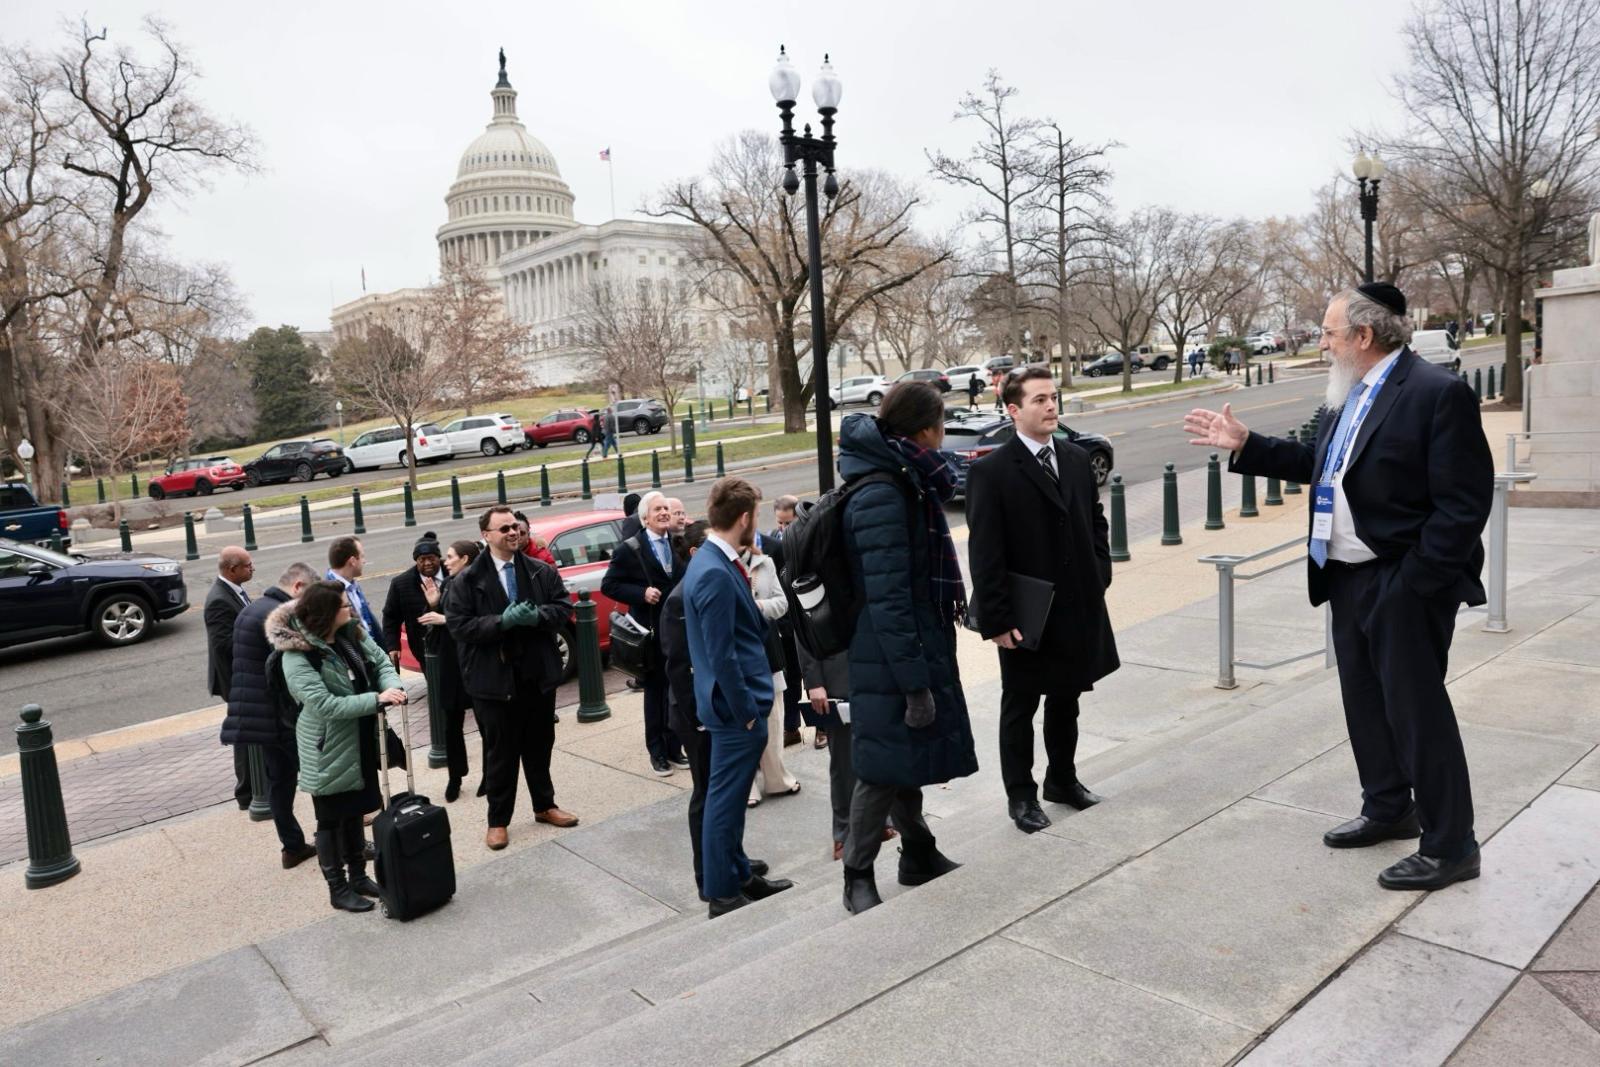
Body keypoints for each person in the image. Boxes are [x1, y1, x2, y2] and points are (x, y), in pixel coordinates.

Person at [1185, 282, 1493, 892]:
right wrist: (1247, 445)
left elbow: (1463, 504)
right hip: (1345, 576)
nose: (1322, 343)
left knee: (1417, 713)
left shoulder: (1437, 394)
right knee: (1365, 702)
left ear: (1363, 336)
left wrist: (1415, 584)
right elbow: (1317, 463)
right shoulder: (1346, 396)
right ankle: (1388, 807)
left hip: (1402, 580)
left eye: (1328, 333)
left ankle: (1452, 844)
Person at [834, 384, 974, 913]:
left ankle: (918, 853)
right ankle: (857, 874)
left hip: (908, 643)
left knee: (905, 756)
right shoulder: (883, 494)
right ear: (923, 431)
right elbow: (888, 599)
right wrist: (914, 683)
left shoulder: (904, 478)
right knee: (881, 767)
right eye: (941, 426)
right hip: (889, 651)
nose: (945, 437)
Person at [968, 367, 1118, 835]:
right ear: (1014, 410)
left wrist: (1100, 573)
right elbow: (985, 552)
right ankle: (1021, 796)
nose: (1051, 406)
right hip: (1026, 615)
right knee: (1020, 707)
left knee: (1067, 698)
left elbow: (1094, 521)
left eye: (1053, 398)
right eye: (1039, 400)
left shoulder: (1074, 458)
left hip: (1076, 605)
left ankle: (1062, 780)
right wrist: (996, 618)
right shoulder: (991, 471)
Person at [682, 477, 795, 918]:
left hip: (736, 704)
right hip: (735, 709)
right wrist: (748, 711)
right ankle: (723, 894)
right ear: (745, 518)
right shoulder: (712, 569)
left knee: (726, 803)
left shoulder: (718, 560)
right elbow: (720, 653)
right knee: (724, 804)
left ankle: (740, 875)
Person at [445, 505, 579, 849]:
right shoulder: (467, 580)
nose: (512, 533)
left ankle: (545, 805)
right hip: (493, 681)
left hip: (535, 675)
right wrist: (500, 622)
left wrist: (536, 616)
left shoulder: (538, 571)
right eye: (503, 529)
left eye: (515, 527)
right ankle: (498, 821)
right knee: (501, 753)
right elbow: (460, 627)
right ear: (486, 536)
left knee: (539, 745)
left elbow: (563, 607)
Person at [270, 581, 407, 913]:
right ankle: (337, 887)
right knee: (330, 820)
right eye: (345, 606)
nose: (351, 609)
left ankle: (359, 877)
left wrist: (391, 686)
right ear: (326, 614)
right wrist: (376, 699)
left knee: (356, 812)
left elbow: (382, 664)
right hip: (327, 746)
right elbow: (324, 705)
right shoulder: (297, 654)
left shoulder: (351, 635)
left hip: (361, 738)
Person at [221, 561, 320, 868]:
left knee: (280, 780)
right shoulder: (278, 615)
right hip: (281, 716)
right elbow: (296, 666)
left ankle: (292, 846)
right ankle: (334, 837)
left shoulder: (251, 609)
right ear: (298, 587)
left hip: (258, 715)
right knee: (321, 774)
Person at [794, 608, 897, 863]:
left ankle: (881, 818)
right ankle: (843, 831)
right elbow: (802, 625)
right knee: (843, 761)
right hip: (835, 676)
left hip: (872, 668)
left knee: (880, 750)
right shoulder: (807, 567)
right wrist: (813, 681)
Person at [602, 490, 687, 776]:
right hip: (649, 634)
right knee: (655, 694)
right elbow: (609, 585)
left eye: (666, 508)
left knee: (676, 691)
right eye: (657, 510)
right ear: (645, 517)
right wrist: (640, 593)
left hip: (676, 632)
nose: (664, 513)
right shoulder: (631, 548)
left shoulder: (677, 544)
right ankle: (658, 752)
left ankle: (675, 748)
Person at [741, 531, 800, 806]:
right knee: (745, 720)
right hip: (737, 654)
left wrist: (757, 606)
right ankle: (748, 785)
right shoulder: (720, 565)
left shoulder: (765, 562)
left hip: (767, 649)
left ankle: (777, 778)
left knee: (774, 718)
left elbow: (782, 602)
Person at [205, 546, 255, 811]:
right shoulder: (218, 601)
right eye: (248, 565)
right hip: (236, 681)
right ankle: (246, 793)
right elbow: (224, 644)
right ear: (232, 569)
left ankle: (254, 786)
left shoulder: (234, 591)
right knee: (245, 736)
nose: (252, 568)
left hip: (244, 677)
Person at [437, 540, 481, 802]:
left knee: (486, 722)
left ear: (465, 559)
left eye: (451, 556)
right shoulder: (446, 583)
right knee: (451, 722)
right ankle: (455, 776)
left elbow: (476, 619)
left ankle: (491, 774)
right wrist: (434, 606)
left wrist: (443, 618)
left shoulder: (478, 583)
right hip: (450, 660)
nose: (446, 560)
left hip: (474, 659)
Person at [766, 495, 809, 749]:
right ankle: (791, 728)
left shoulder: (808, 540)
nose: (783, 529)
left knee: (815, 676)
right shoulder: (772, 543)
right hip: (784, 622)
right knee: (791, 677)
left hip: (808, 619)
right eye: (780, 523)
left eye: (788, 523)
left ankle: (823, 727)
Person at [326, 536, 382, 648]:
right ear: (352, 561)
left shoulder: (353, 585)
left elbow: (367, 621)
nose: (364, 561)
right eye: (362, 556)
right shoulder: (329, 593)